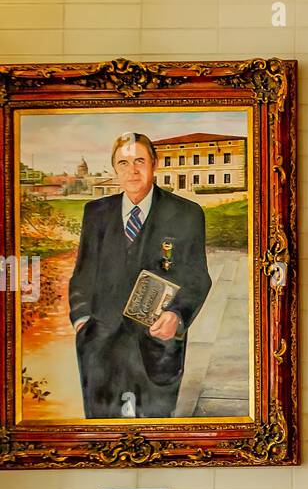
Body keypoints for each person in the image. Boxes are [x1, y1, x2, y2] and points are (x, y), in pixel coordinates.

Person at [68, 132, 212, 418]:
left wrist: (177, 316)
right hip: (100, 348)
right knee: (103, 438)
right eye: (123, 162)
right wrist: (82, 320)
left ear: (154, 164)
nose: (131, 170)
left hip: (158, 346)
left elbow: (197, 276)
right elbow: (83, 272)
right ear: (114, 168)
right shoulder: (96, 211)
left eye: (139, 161)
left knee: (155, 436)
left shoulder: (187, 213)